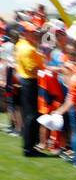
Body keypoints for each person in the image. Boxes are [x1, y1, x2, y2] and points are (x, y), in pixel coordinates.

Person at [15, 20, 43, 157]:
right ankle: (29, 148)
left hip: (26, 81)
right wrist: (46, 70)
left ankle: (29, 146)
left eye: (34, 32)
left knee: (29, 115)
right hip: (30, 82)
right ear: (24, 33)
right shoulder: (27, 49)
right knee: (31, 115)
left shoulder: (21, 44)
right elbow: (33, 69)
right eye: (31, 32)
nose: (34, 34)